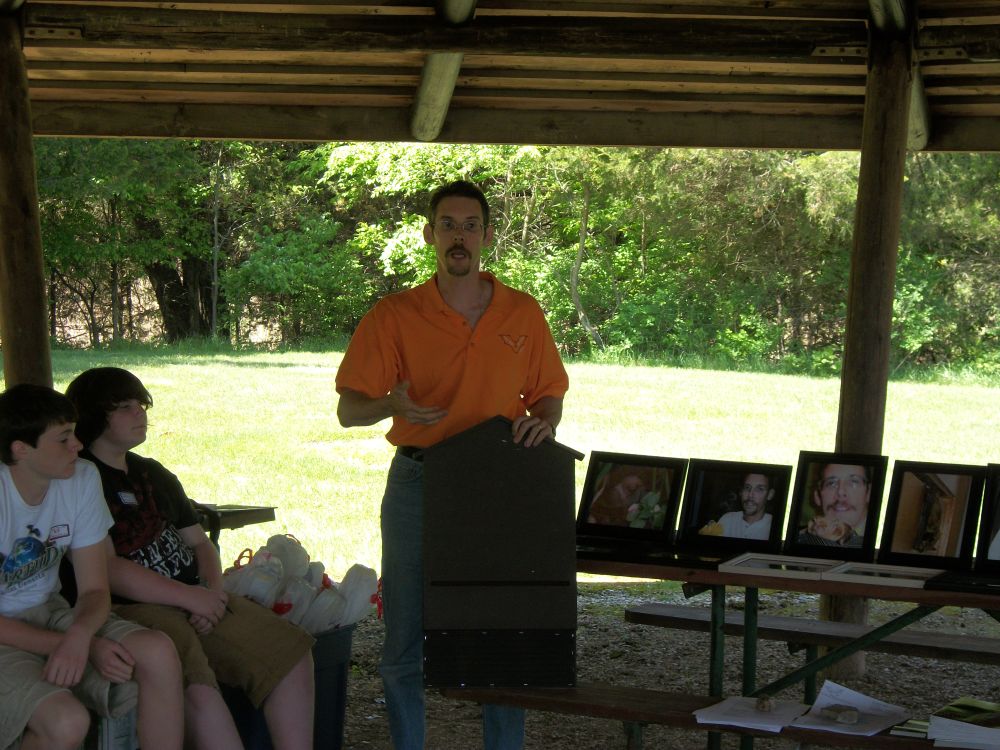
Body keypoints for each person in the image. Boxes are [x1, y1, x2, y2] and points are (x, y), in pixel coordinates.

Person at [335, 179, 569, 750]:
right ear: (429, 234)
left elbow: (549, 392)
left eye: (469, 225)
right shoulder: (393, 315)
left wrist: (546, 419)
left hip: (500, 484)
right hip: (420, 481)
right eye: (447, 225)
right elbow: (348, 411)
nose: (458, 236)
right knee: (405, 639)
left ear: (487, 236)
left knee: (500, 634)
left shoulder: (523, 311)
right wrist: (391, 403)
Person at [65, 367, 316, 750]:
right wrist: (189, 598)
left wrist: (212, 592)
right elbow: (108, 570)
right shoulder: (82, 480)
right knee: (195, 680)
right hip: (134, 608)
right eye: (126, 407)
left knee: (290, 650)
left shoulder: (152, 473)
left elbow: (200, 545)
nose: (140, 414)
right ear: (96, 416)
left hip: (195, 598)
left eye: (143, 405)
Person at [0, 383, 184, 750]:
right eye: (64, 438)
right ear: (21, 449)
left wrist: (81, 637)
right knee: (67, 721)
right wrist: (68, 645)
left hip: (50, 611)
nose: (78, 445)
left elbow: (96, 590)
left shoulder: (81, 478)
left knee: (157, 652)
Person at [797, 463, 872, 548]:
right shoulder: (798, 539)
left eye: (853, 482)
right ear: (817, 496)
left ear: (869, 492)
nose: (841, 492)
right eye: (831, 483)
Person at [715, 472, 774, 540]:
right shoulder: (727, 519)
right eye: (747, 487)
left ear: (770, 494)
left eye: (759, 489)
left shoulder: (772, 526)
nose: (750, 495)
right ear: (741, 492)